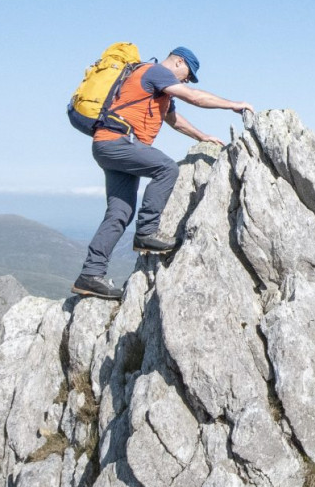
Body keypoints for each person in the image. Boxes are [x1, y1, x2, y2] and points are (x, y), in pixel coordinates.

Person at [71, 47, 253, 300]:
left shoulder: (156, 88)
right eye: (188, 75)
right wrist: (233, 104)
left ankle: (90, 275)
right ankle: (146, 232)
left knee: (119, 213)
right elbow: (195, 98)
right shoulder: (155, 72)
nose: (186, 81)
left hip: (110, 145)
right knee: (166, 168)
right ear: (178, 62)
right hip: (117, 143)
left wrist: (203, 136)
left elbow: (174, 120)